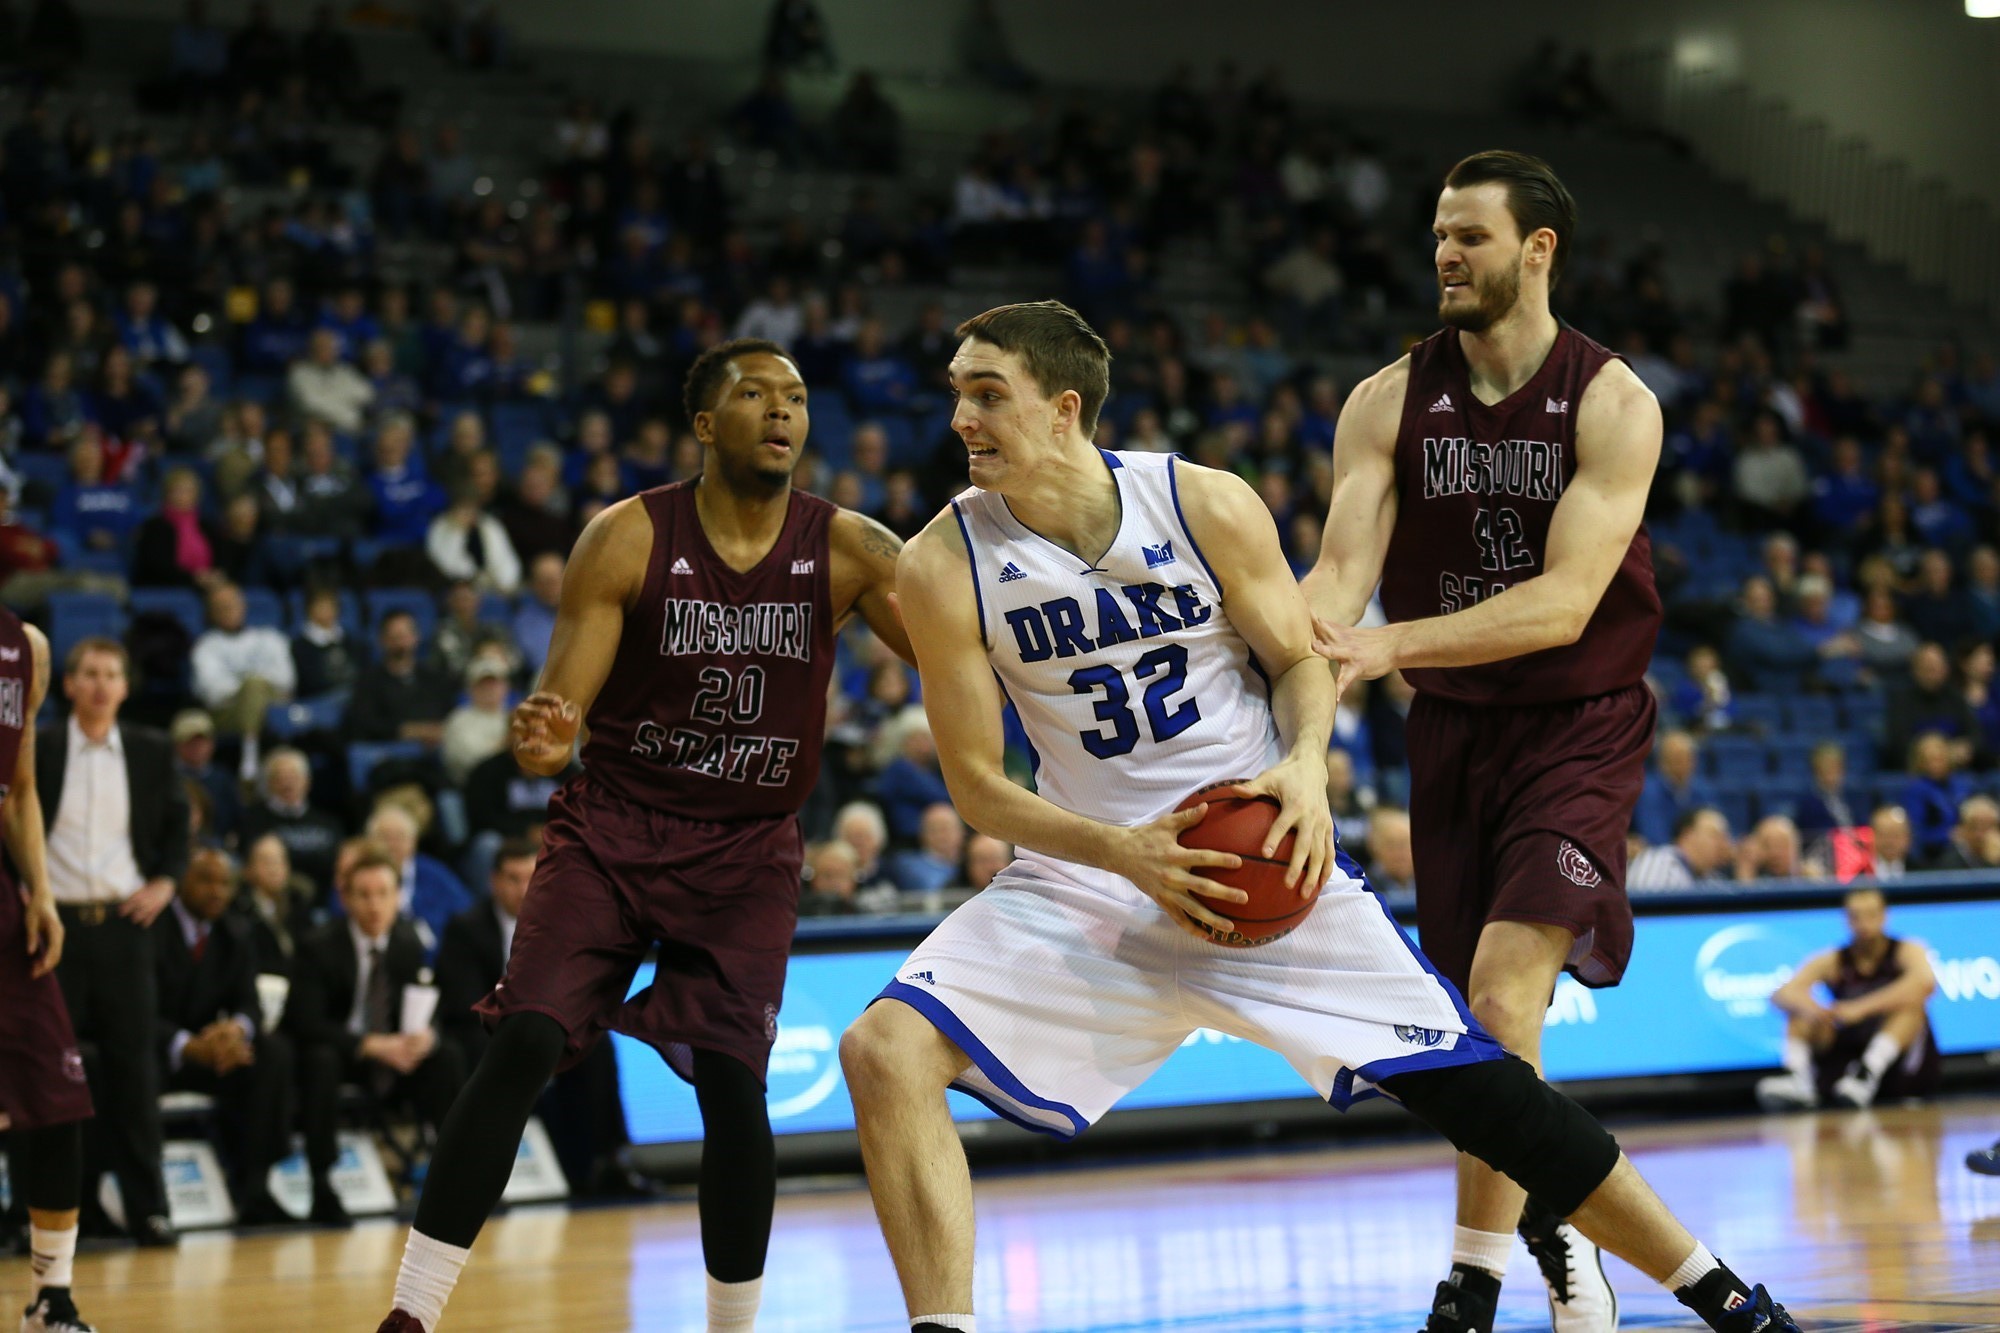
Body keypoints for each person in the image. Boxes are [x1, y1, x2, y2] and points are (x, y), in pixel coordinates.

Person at [842, 300, 1799, 1333]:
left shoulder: (1201, 502)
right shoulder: (943, 563)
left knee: (1484, 1092)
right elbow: (978, 787)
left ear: (1063, 408)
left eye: (987, 395)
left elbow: (1300, 656)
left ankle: (1725, 1296)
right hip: (1089, 876)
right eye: (956, 396)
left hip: (1267, 855)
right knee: (882, 1051)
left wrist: (1304, 766)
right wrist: (1123, 851)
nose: (962, 420)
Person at [375, 337, 911, 1333]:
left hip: (748, 847)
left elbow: (953, 653)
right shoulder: (624, 537)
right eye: (756, 394)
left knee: (731, 1085)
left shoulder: (848, 547)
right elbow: (556, 716)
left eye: (795, 396)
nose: (783, 410)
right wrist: (541, 740)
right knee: (524, 1036)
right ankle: (408, 1316)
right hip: (615, 829)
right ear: (706, 424)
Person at [1301, 152, 1677, 1332]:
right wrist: (1295, 671)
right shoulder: (1384, 399)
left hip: (1576, 721)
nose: (1444, 257)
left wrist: (1383, 639)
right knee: (1469, 1028)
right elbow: (1334, 584)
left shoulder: (1612, 402)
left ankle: (1471, 1282)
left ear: (1537, 248)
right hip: (1452, 730)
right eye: (1435, 237)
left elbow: (1565, 604)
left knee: (1505, 991)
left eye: (1468, 235)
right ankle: (1554, 1225)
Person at [38, 638, 190, 1250]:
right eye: (89, 674)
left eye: (111, 675)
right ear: (68, 684)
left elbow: (180, 823)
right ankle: (38, 1212)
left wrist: (167, 882)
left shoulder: (151, 751)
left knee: (134, 1073)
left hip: (127, 930)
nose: (101, 684)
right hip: (54, 930)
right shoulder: (40, 748)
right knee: (46, 1077)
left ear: (125, 687)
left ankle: (149, 1209)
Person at [0, 610, 103, 1332]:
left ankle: (51, 1297)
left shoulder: (26, 645)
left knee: (59, 1091)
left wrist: (40, 891)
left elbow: (22, 787)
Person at [434, 838, 635, 1195]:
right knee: (475, 1047)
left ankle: (604, 1161)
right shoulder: (465, 928)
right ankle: (476, 1173)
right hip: (487, 1030)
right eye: (512, 878)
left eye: (531, 876)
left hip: (545, 1026)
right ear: (493, 881)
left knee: (597, 1046)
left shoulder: (562, 923)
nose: (523, 888)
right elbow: (463, 1002)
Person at [290, 850, 466, 1227]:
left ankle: (455, 1178)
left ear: (398, 896)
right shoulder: (318, 946)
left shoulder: (409, 942)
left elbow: (433, 1003)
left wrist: (425, 1037)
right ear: (346, 899)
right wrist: (370, 1045)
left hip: (396, 1056)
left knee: (447, 1054)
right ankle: (322, 1183)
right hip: (346, 1056)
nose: (374, 905)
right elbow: (305, 1022)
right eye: (364, 895)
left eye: (383, 893)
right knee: (319, 1059)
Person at [152, 847, 294, 1225]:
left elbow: (250, 1002)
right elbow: (133, 1012)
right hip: (159, 1051)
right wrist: (185, 1044)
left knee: (272, 1053)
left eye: (225, 883)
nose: (217, 891)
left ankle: (256, 1188)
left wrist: (236, 1030)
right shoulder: (152, 927)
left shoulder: (236, 931)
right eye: (206, 880)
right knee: (127, 1061)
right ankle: (148, 1202)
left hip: (214, 1053)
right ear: (181, 879)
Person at [1756, 887, 1940, 1111]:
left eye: (1871, 915)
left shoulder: (1907, 950)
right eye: (1856, 916)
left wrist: (1860, 1009)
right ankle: (1797, 1077)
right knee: (1800, 1011)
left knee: (1912, 1008)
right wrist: (1816, 1010)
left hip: (1897, 1063)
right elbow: (1781, 994)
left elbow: (1925, 983)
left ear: (1884, 916)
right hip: (1846, 1056)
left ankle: (1867, 1074)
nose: (1864, 923)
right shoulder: (1832, 959)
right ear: (1846, 920)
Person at [191, 579, 296, 738]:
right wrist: (250, 687)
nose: (229, 610)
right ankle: (251, 753)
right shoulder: (206, 646)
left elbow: (286, 679)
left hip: (272, 707)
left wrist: (254, 686)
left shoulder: (270, 638)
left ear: (244, 605)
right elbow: (211, 691)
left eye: (233, 604)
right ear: (211, 612)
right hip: (228, 712)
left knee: (256, 689)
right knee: (253, 688)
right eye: (222, 607)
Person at [1629, 807, 1733, 893]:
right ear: (1687, 836)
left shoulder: (1713, 879)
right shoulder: (1659, 862)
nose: (1724, 845)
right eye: (1715, 835)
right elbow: (1644, 913)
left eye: (1725, 838)